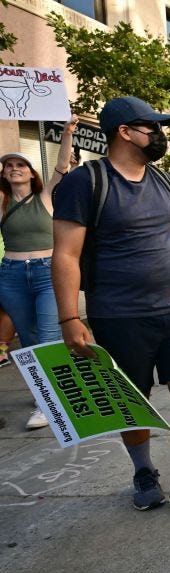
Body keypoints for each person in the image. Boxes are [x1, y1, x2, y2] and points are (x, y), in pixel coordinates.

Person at [51, 96, 170, 512]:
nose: (159, 135)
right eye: (152, 127)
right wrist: (69, 317)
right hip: (120, 315)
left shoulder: (163, 179)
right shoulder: (86, 181)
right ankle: (144, 471)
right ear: (125, 132)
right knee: (134, 402)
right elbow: (65, 254)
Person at [0, 115, 78, 430]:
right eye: (8, 166)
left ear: (31, 173)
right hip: (12, 276)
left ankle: (48, 402)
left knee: (47, 337)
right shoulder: (3, 204)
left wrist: (69, 132)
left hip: (48, 273)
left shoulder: (46, 197)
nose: (14, 168)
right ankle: (50, 390)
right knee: (29, 342)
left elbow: (61, 165)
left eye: (20, 165)